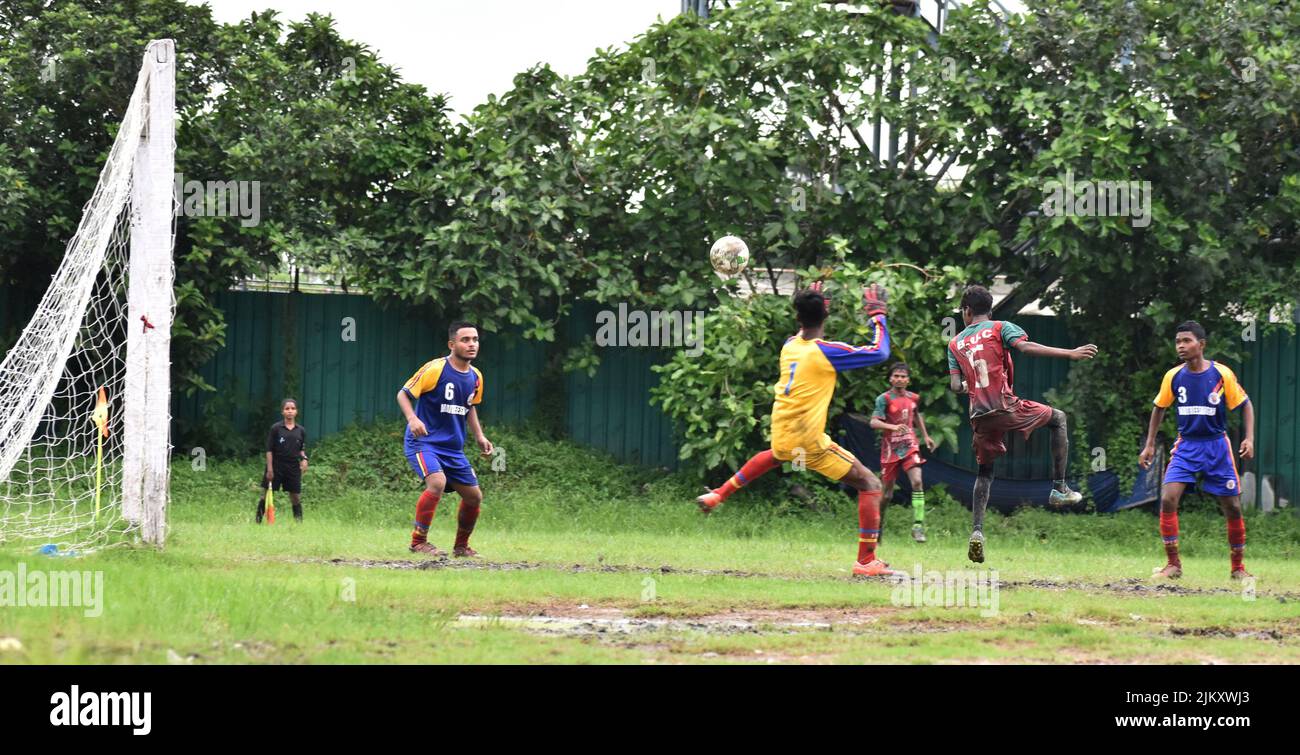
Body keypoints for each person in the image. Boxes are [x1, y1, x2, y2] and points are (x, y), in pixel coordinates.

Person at [694, 281, 898, 576]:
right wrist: (878, 315)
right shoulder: (825, 351)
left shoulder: (789, 345)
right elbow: (879, 352)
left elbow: (808, 325)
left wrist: (815, 301)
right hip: (809, 440)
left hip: (782, 429)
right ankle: (866, 562)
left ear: (797, 317)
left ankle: (719, 494)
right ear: (826, 315)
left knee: (775, 455)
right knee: (871, 485)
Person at [947, 284, 1097, 563]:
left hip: (979, 414)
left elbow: (956, 386)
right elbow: (1025, 347)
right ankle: (1059, 488)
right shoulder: (1000, 327)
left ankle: (977, 531)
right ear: (989, 310)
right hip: (1004, 405)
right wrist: (1070, 353)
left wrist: (974, 382)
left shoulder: (954, 343)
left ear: (966, 311)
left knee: (985, 471)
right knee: (1058, 418)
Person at [1139, 321, 1254, 580]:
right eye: (1178, 341)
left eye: (1186, 341)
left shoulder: (1221, 374)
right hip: (1187, 445)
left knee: (1233, 507)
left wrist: (1249, 438)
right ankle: (1173, 565)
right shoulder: (1174, 376)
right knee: (1168, 498)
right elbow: (1159, 407)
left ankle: (1238, 568)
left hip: (1217, 447)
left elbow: (1246, 404)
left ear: (1201, 345)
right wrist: (1149, 445)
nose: (1181, 346)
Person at [397, 321, 494, 558]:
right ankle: (418, 541)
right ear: (452, 344)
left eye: (475, 339)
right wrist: (412, 419)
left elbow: (469, 407)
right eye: (465, 340)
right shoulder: (435, 369)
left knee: (474, 497)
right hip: (423, 443)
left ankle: (461, 547)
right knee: (437, 483)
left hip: (452, 448)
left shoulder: (476, 377)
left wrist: (479, 436)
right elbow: (403, 394)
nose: (472, 344)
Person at [870, 362, 937, 543]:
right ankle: (878, 527)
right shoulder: (883, 399)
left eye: (903, 376)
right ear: (891, 378)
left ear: (908, 380)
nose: (899, 379)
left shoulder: (914, 398)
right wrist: (892, 427)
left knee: (917, 481)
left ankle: (918, 526)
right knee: (887, 495)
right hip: (890, 450)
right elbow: (874, 422)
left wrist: (926, 436)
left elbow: (916, 415)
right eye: (896, 376)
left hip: (910, 446)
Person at [258, 398, 308, 523]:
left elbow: (301, 449)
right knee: (267, 494)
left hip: (293, 467)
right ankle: (258, 521)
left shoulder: (300, 430)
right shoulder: (276, 428)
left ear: (296, 411)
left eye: (292, 408)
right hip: (276, 465)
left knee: (295, 496)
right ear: (282, 412)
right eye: (287, 409)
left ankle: (299, 523)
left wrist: (304, 459)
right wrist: (270, 469)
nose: (290, 411)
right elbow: (269, 450)